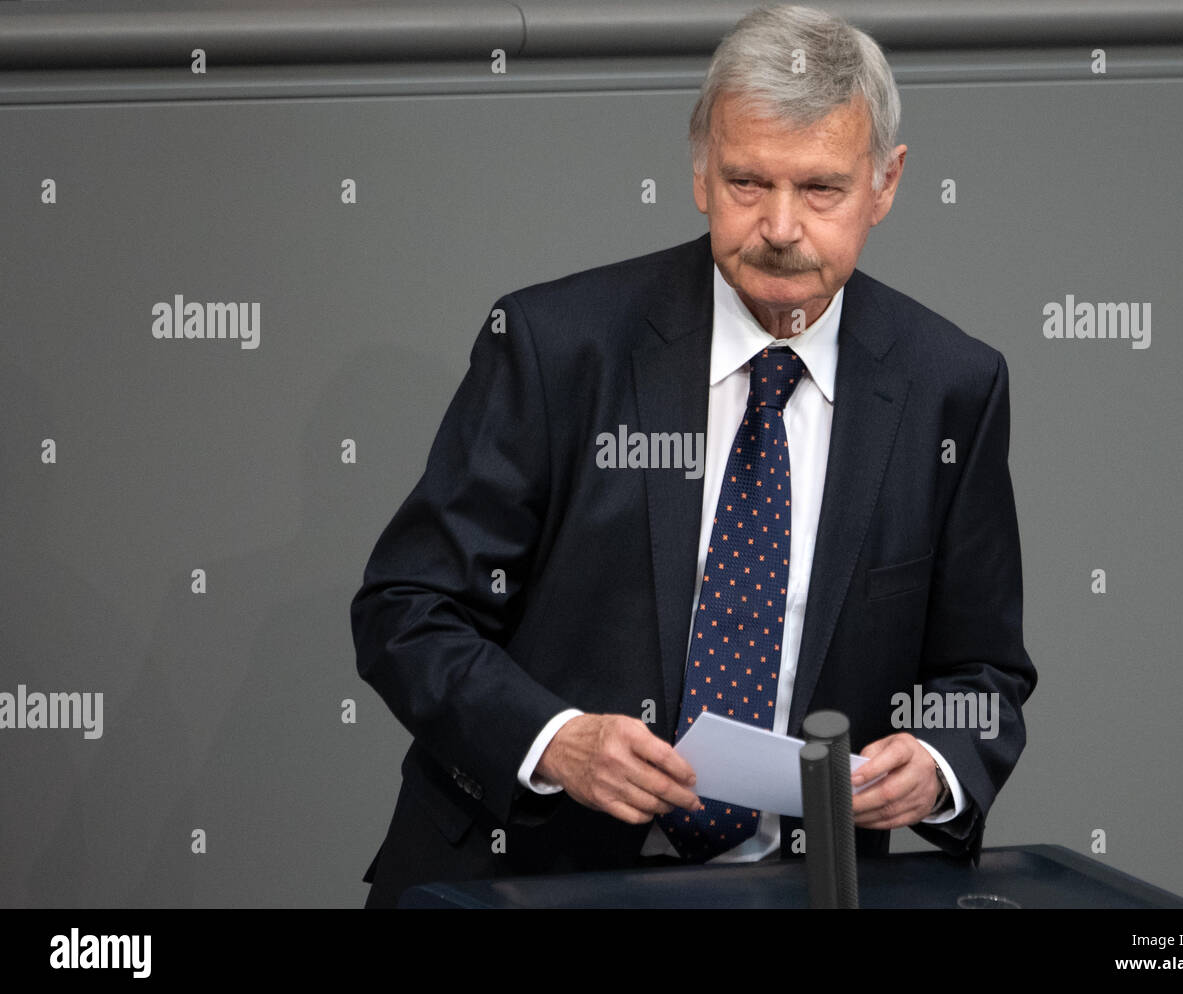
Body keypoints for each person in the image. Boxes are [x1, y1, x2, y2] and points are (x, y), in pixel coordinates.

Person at [351, 4, 1036, 907]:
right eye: (748, 183)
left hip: (795, 887)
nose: (782, 227)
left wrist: (941, 763)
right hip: (522, 876)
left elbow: (983, 673)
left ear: (887, 184)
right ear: (700, 172)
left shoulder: (953, 383)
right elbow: (406, 609)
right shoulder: (558, 346)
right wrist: (553, 740)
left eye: (822, 190)